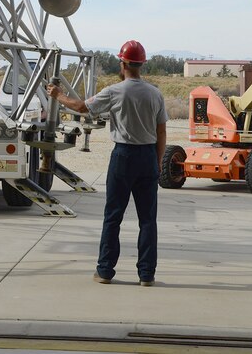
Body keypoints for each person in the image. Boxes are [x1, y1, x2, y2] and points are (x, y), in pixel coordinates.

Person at [46, 40, 168, 286]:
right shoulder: (155, 94)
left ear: (122, 64)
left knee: (113, 217)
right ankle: (146, 275)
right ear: (141, 64)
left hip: (123, 157)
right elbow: (162, 132)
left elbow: (81, 107)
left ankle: (105, 271)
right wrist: (157, 162)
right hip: (147, 157)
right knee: (147, 220)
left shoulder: (114, 91)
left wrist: (58, 95)